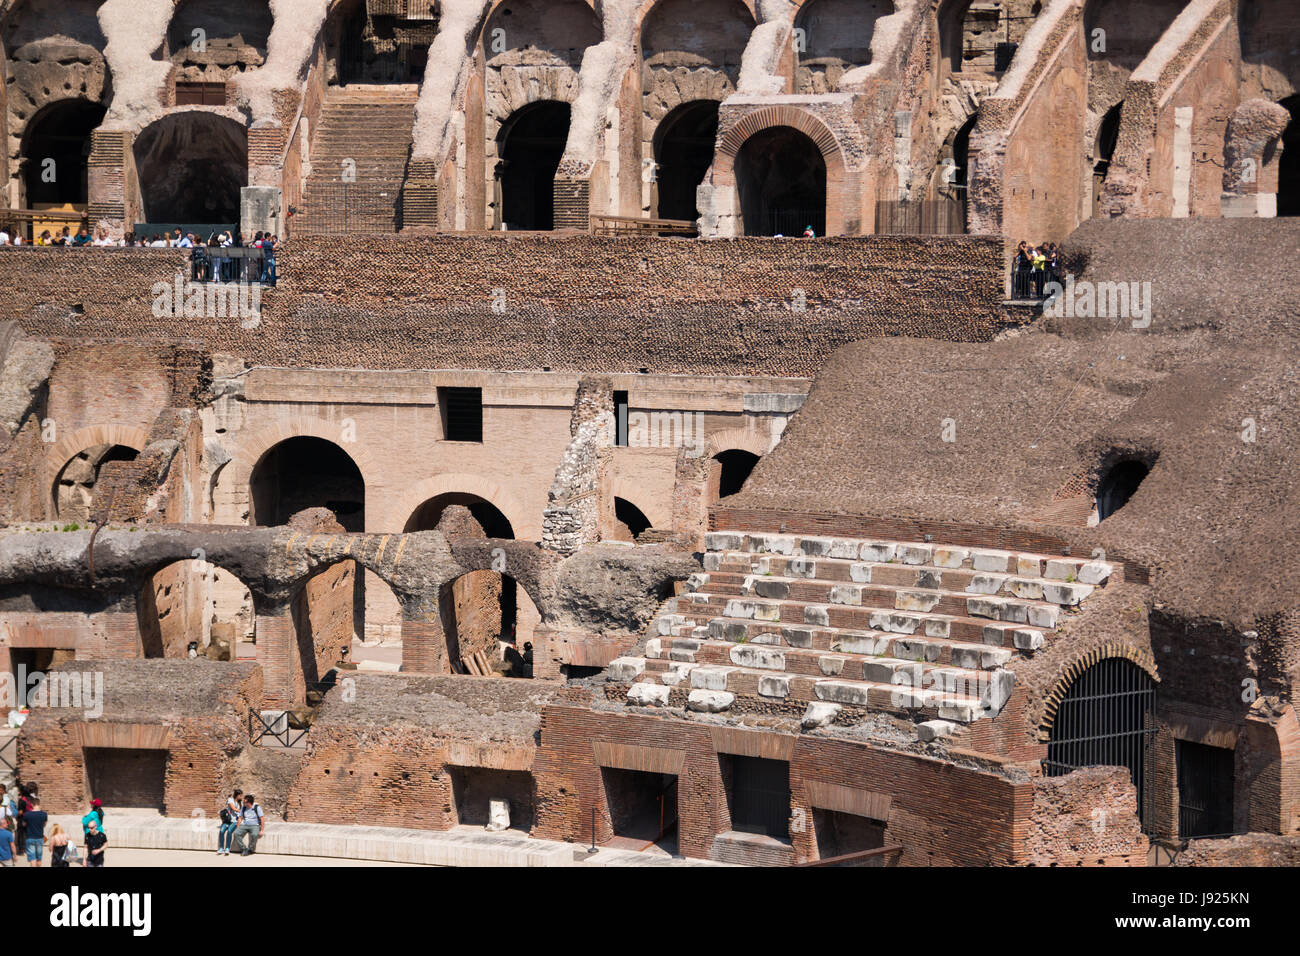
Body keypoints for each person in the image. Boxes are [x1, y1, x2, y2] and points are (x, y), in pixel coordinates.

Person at [21, 797, 47, 866]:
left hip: (30, 837)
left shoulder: (27, 814)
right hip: (40, 838)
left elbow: (23, 824)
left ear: (32, 804)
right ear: (39, 804)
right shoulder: (44, 814)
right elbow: (44, 824)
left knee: (32, 859)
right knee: (39, 858)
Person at [218, 789, 242, 856]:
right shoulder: (230, 800)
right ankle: (221, 848)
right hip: (227, 820)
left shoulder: (241, 803)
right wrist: (240, 811)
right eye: (240, 795)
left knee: (229, 831)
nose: (241, 797)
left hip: (235, 821)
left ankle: (227, 848)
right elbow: (233, 808)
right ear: (237, 795)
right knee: (222, 831)